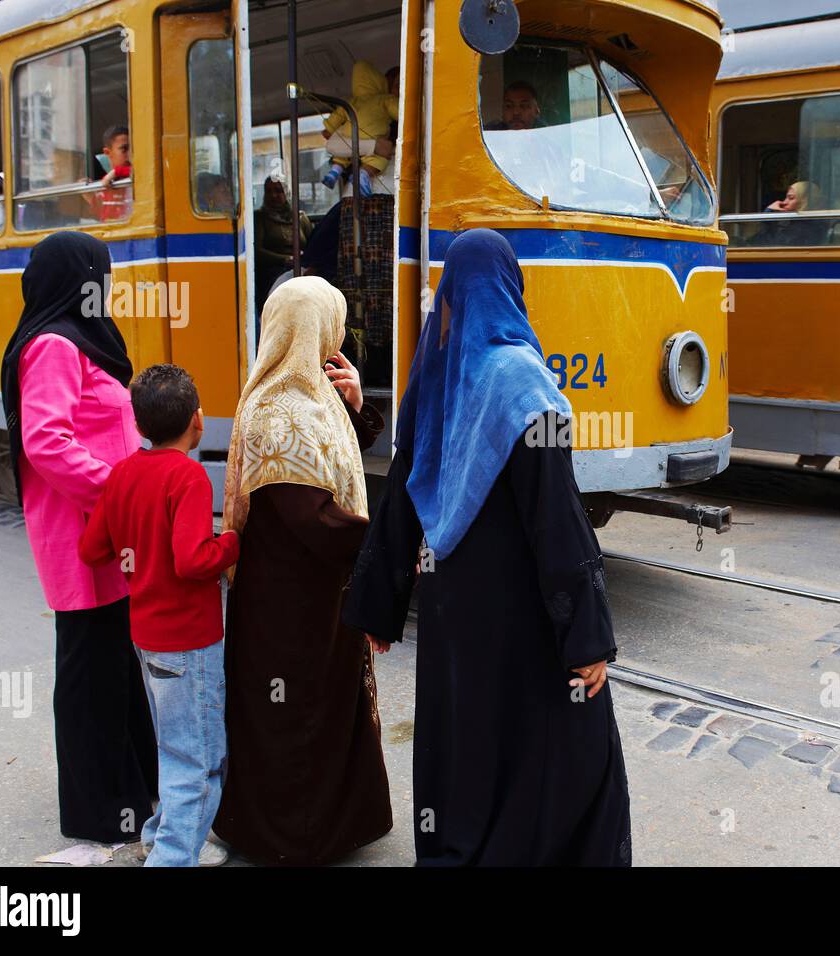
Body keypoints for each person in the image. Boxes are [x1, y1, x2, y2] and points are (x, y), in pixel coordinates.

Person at [344, 229, 632, 866]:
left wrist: (378, 606)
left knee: (466, 736)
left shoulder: (437, 370)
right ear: (511, 290)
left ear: (451, 297)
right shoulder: (525, 382)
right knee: (564, 741)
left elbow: (403, 488)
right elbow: (557, 520)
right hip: (519, 606)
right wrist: (586, 639)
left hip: (452, 606)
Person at [214, 276, 391, 865]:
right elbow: (312, 515)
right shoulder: (276, 409)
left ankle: (338, 819)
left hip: (317, 590)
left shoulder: (308, 393)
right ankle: (295, 835)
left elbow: (339, 452)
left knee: (324, 703)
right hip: (288, 602)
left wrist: (358, 405)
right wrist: (385, 542)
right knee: (296, 712)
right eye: (332, 323)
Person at [0, 231, 157, 844]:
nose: (107, 287)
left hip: (105, 529)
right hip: (82, 531)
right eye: (99, 276)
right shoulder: (55, 346)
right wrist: (120, 490)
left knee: (115, 663)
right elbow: (46, 443)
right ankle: (100, 810)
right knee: (92, 672)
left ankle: (135, 791)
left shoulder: (79, 339)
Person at [78, 364, 240, 867]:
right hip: (189, 642)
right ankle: (172, 856)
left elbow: (91, 549)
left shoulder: (124, 471)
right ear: (197, 420)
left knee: (172, 745)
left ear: (140, 425)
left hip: (145, 637)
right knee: (200, 760)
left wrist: (135, 547)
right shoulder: (188, 477)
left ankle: (161, 833)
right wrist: (232, 542)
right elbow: (193, 560)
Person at [320, 63, 400, 191]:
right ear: (383, 88)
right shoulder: (355, 120)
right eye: (397, 86)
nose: (400, 91)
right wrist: (374, 146)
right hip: (360, 195)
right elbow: (332, 145)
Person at [253, 176, 312, 313]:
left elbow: (312, 245)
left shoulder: (300, 218)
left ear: (287, 193)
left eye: (278, 191)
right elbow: (257, 251)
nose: (273, 195)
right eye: (269, 191)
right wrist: (285, 259)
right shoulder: (260, 218)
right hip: (273, 270)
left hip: (302, 267)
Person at [87, 125, 133, 222]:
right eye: (124, 149)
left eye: (133, 148)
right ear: (107, 152)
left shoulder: (131, 174)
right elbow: (102, 214)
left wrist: (116, 171)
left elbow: (138, 171)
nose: (130, 154)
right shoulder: (106, 180)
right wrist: (90, 196)